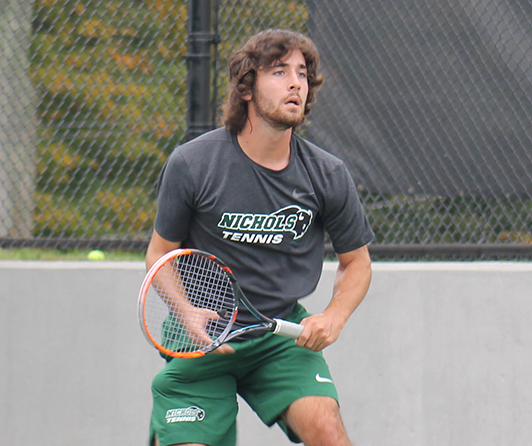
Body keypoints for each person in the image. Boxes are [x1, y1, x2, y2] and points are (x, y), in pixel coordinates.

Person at [146, 29, 374, 446]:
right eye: (279, 71)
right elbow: (160, 255)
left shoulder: (327, 174)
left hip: (279, 335)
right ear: (247, 88)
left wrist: (333, 316)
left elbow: (356, 262)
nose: (296, 83)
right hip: (201, 336)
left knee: (328, 433)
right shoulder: (193, 163)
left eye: (302, 74)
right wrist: (186, 313)